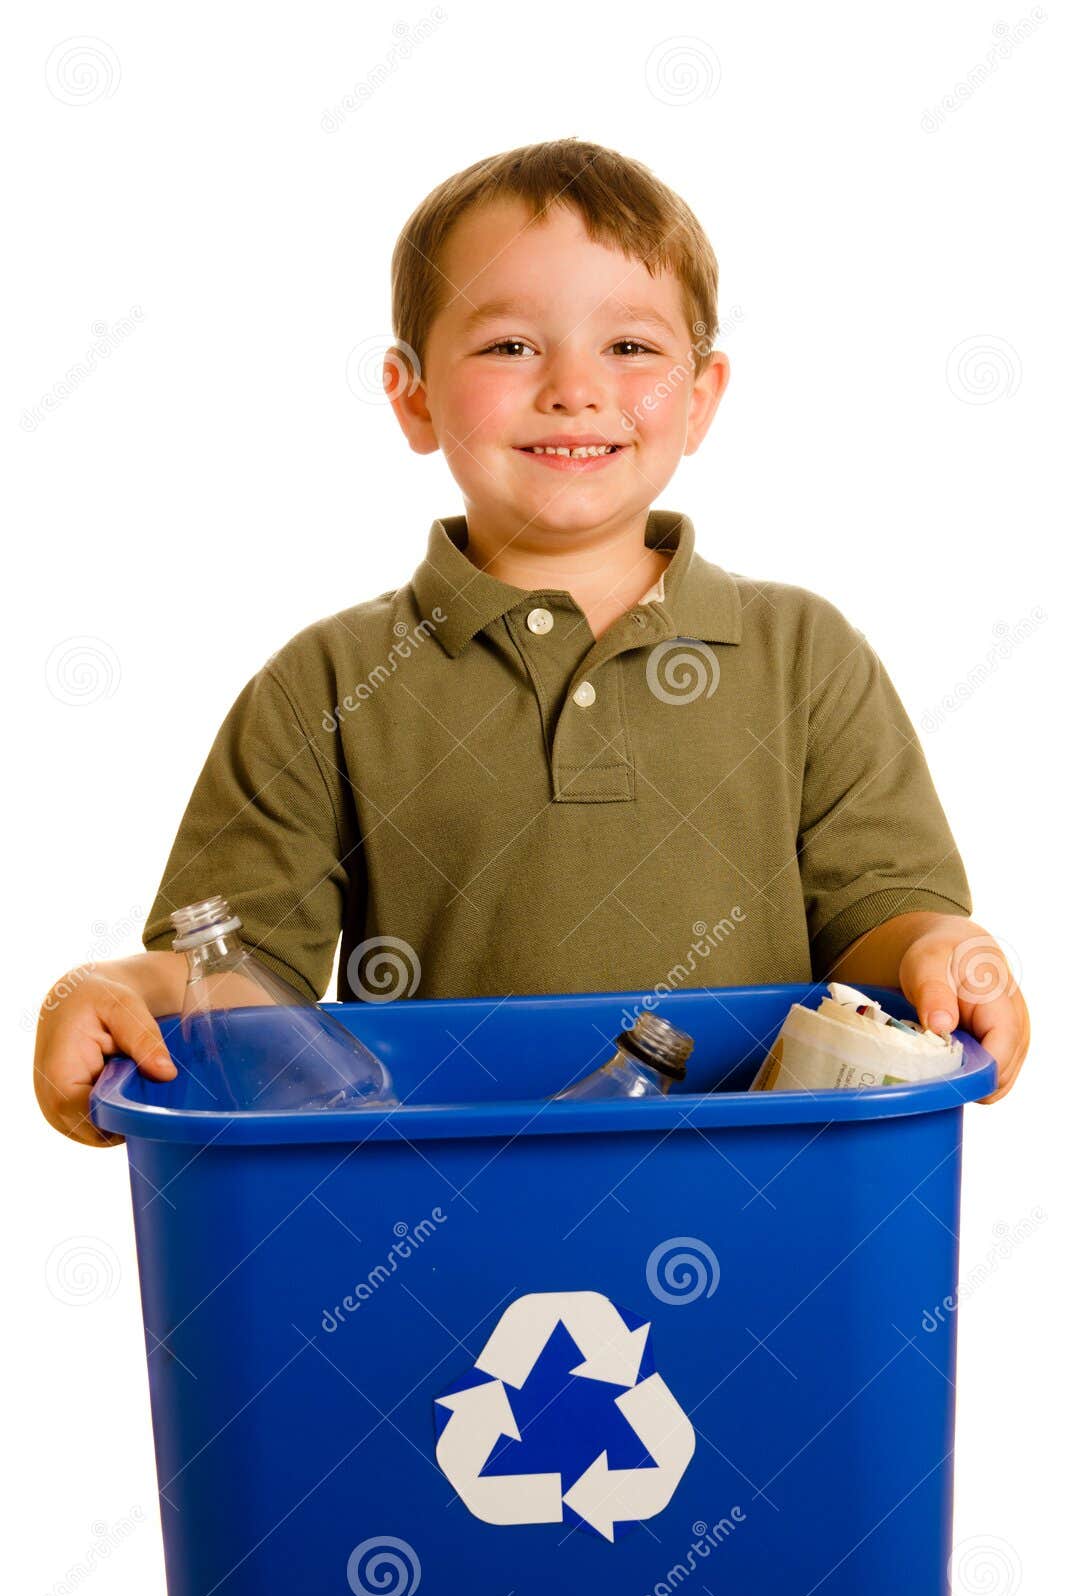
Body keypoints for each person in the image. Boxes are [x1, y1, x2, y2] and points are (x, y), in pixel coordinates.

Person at [34, 138, 1029, 1146]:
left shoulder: (805, 657)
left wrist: (939, 947)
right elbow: (238, 982)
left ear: (701, 395)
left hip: (760, 1204)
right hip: (436, 1219)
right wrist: (118, 985)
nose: (571, 386)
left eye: (630, 348)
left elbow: (882, 927)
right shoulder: (323, 685)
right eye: (510, 346)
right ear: (411, 394)